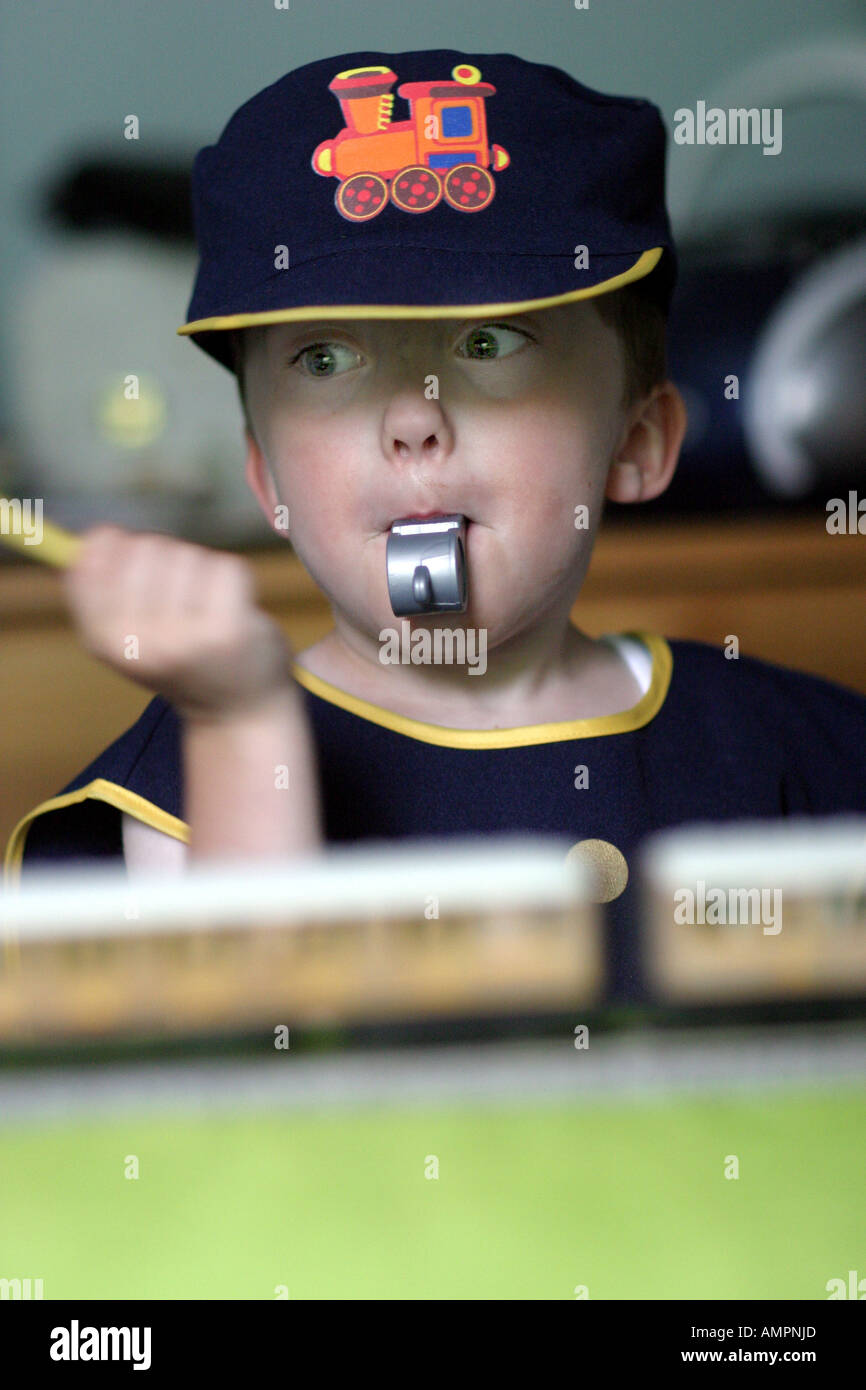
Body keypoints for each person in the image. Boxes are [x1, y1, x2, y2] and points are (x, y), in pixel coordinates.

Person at [6, 50, 866, 1002]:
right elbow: (257, 1089)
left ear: (638, 443)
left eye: (488, 342)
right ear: (266, 478)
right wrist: (241, 725)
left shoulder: (797, 748)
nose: (413, 417)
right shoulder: (194, 769)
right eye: (326, 357)